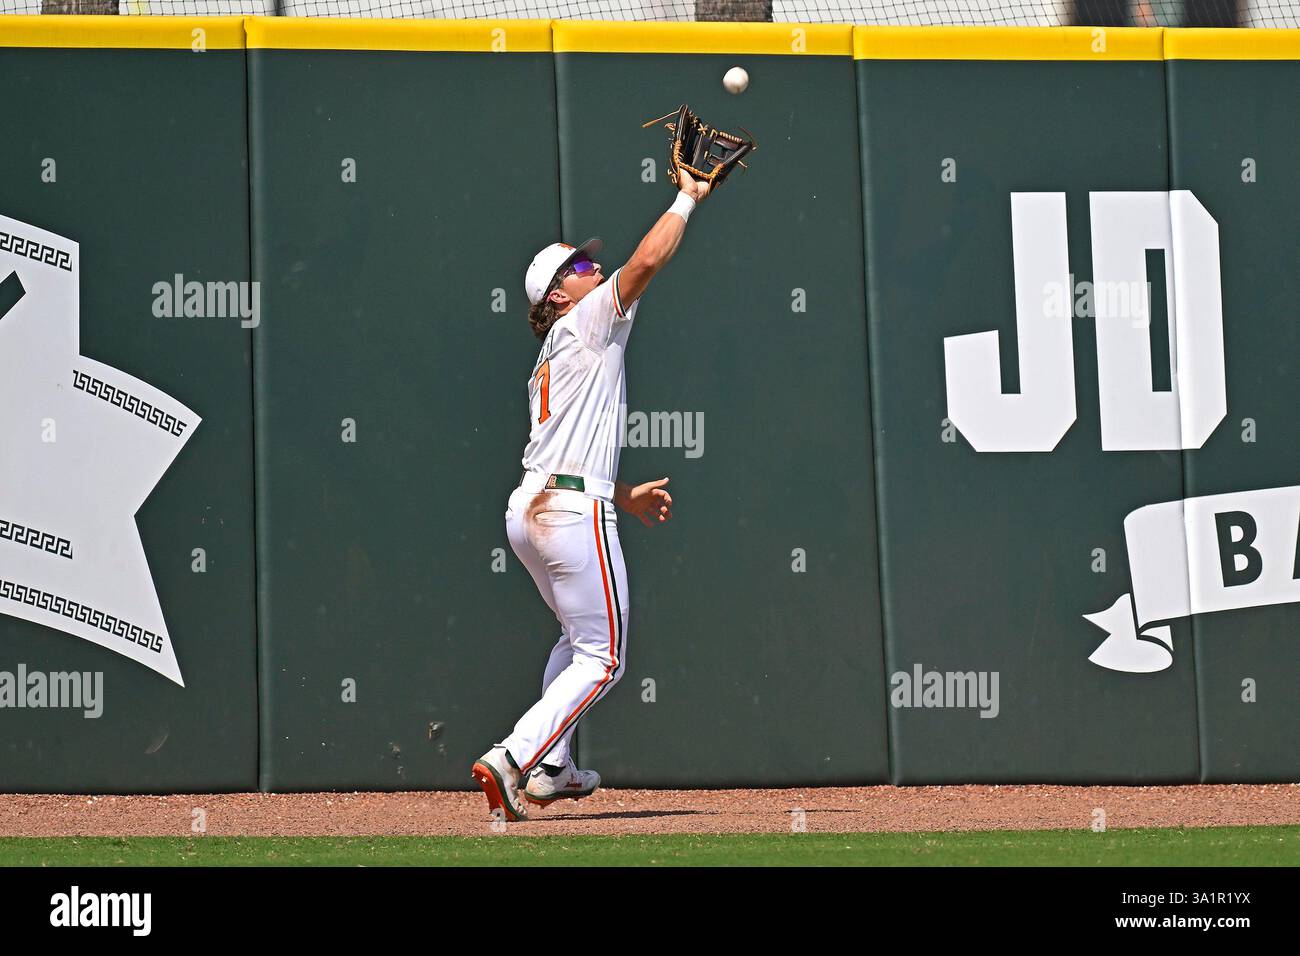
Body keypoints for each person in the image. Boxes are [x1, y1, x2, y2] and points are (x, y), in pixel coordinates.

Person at [470, 170, 711, 822]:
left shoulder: (551, 355)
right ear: (558, 293)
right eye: (578, 263)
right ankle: (516, 756)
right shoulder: (587, 319)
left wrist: (623, 492)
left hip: (531, 508)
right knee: (604, 659)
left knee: (576, 642)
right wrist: (689, 197)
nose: (593, 264)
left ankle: (554, 768)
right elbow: (649, 259)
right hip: (571, 515)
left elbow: (563, 449)